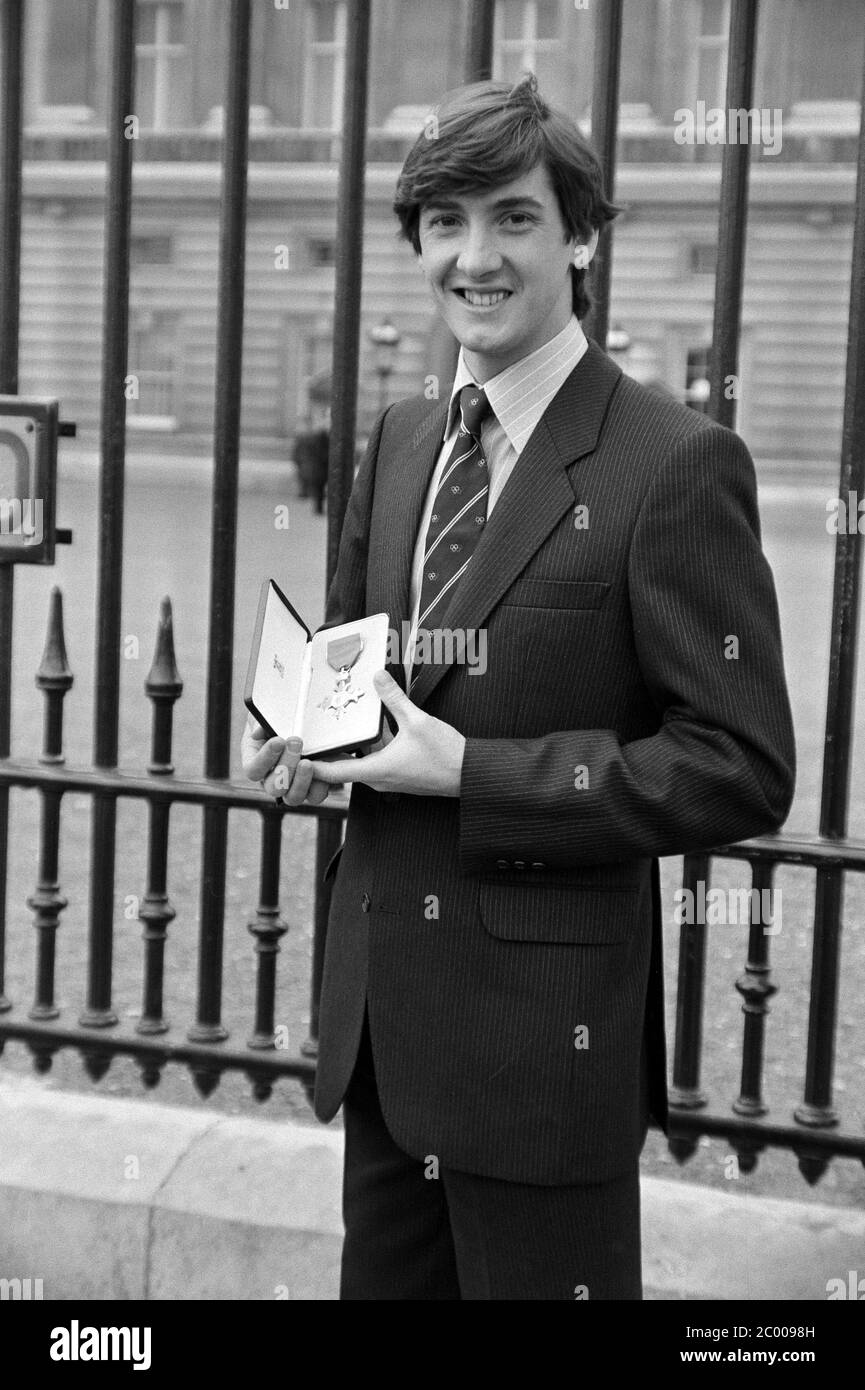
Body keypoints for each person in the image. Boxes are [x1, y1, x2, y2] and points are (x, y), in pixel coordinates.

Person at [242, 74, 795, 1301]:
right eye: (445, 222)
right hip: (383, 1043)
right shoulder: (394, 439)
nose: (472, 256)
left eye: (513, 218)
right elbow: (378, 662)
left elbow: (741, 763)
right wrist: (315, 736)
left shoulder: (673, 463)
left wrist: (470, 771)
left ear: (581, 235)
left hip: (542, 1065)